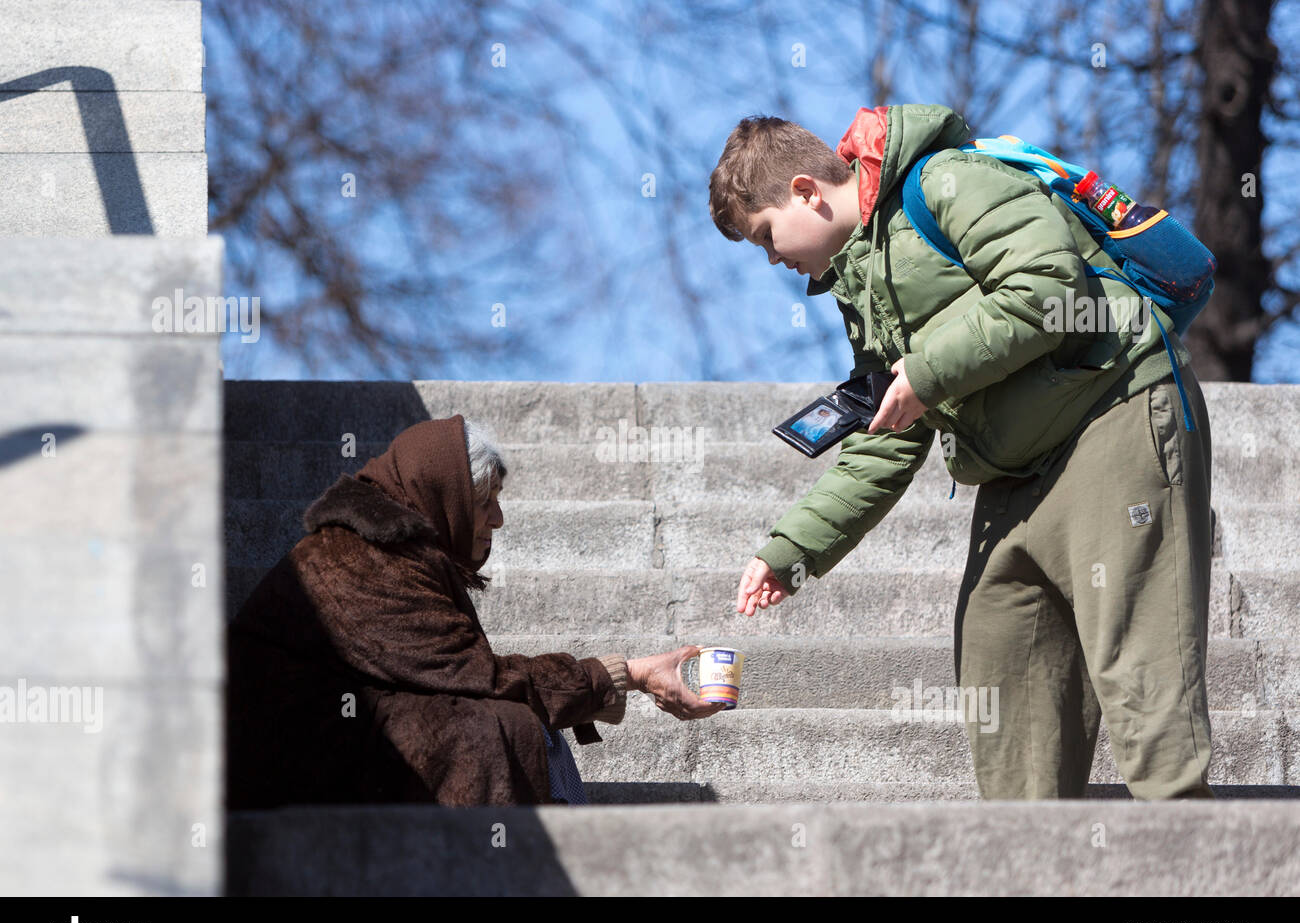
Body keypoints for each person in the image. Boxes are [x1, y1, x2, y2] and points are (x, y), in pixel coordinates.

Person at [708, 102, 1214, 800]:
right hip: (1013, 472)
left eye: (766, 238)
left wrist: (925, 371)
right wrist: (789, 550)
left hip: (1114, 412)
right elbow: (890, 438)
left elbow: (1047, 285)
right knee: (1004, 681)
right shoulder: (860, 282)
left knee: (1142, 676)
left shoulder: (946, 180)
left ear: (803, 192)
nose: (774, 260)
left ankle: (1197, 880)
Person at [225, 415, 719, 809]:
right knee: (498, 730)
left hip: (311, 744)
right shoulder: (358, 556)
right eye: (486, 501)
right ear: (447, 496)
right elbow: (479, 678)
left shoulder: (392, 549)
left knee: (517, 727)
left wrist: (618, 678)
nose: (498, 519)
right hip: (270, 762)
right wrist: (628, 673)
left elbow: (466, 675)